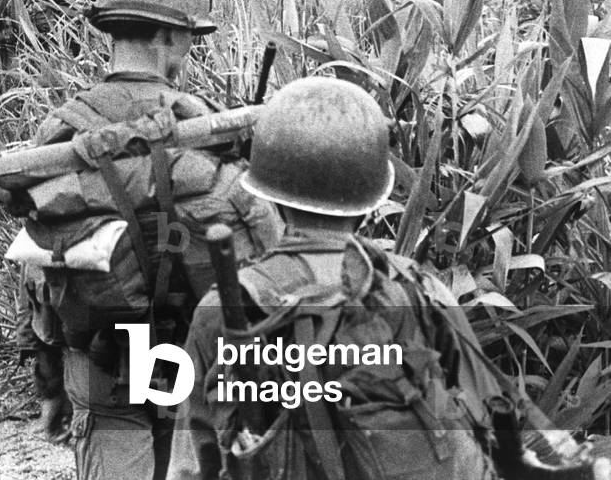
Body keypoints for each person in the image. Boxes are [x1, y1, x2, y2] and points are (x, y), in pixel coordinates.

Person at [170, 77, 588, 480]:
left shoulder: (223, 309)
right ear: (372, 202)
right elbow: (495, 409)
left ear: (267, 196)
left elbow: (191, 462)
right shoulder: (416, 289)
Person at [6, 0, 280, 480]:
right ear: (171, 37)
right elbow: (261, 268)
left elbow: (35, 265)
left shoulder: (61, 134)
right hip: (194, 370)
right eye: (188, 38)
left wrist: (48, 382)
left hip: (100, 367)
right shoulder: (204, 133)